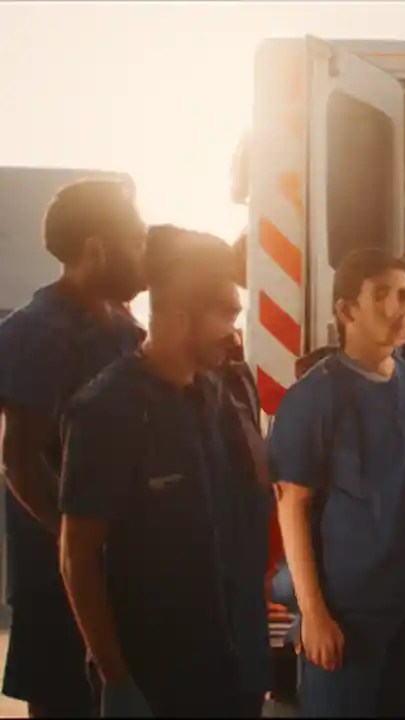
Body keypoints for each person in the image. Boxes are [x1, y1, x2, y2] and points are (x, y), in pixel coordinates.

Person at [59, 228, 272, 717]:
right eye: (225, 314)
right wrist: (116, 678)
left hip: (240, 666)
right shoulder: (106, 410)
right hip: (159, 679)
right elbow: (78, 555)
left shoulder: (235, 390)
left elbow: (248, 508)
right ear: (177, 321)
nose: (234, 331)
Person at [268, 248, 405, 717]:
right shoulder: (312, 398)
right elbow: (291, 505)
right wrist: (314, 615)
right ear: (346, 310)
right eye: (383, 295)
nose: (401, 307)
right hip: (349, 609)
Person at [0, 179, 146, 717]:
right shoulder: (36, 332)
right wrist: (76, 544)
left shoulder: (124, 329)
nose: (143, 252)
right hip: (56, 576)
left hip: (120, 568)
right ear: (95, 248)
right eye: (134, 240)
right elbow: (18, 459)